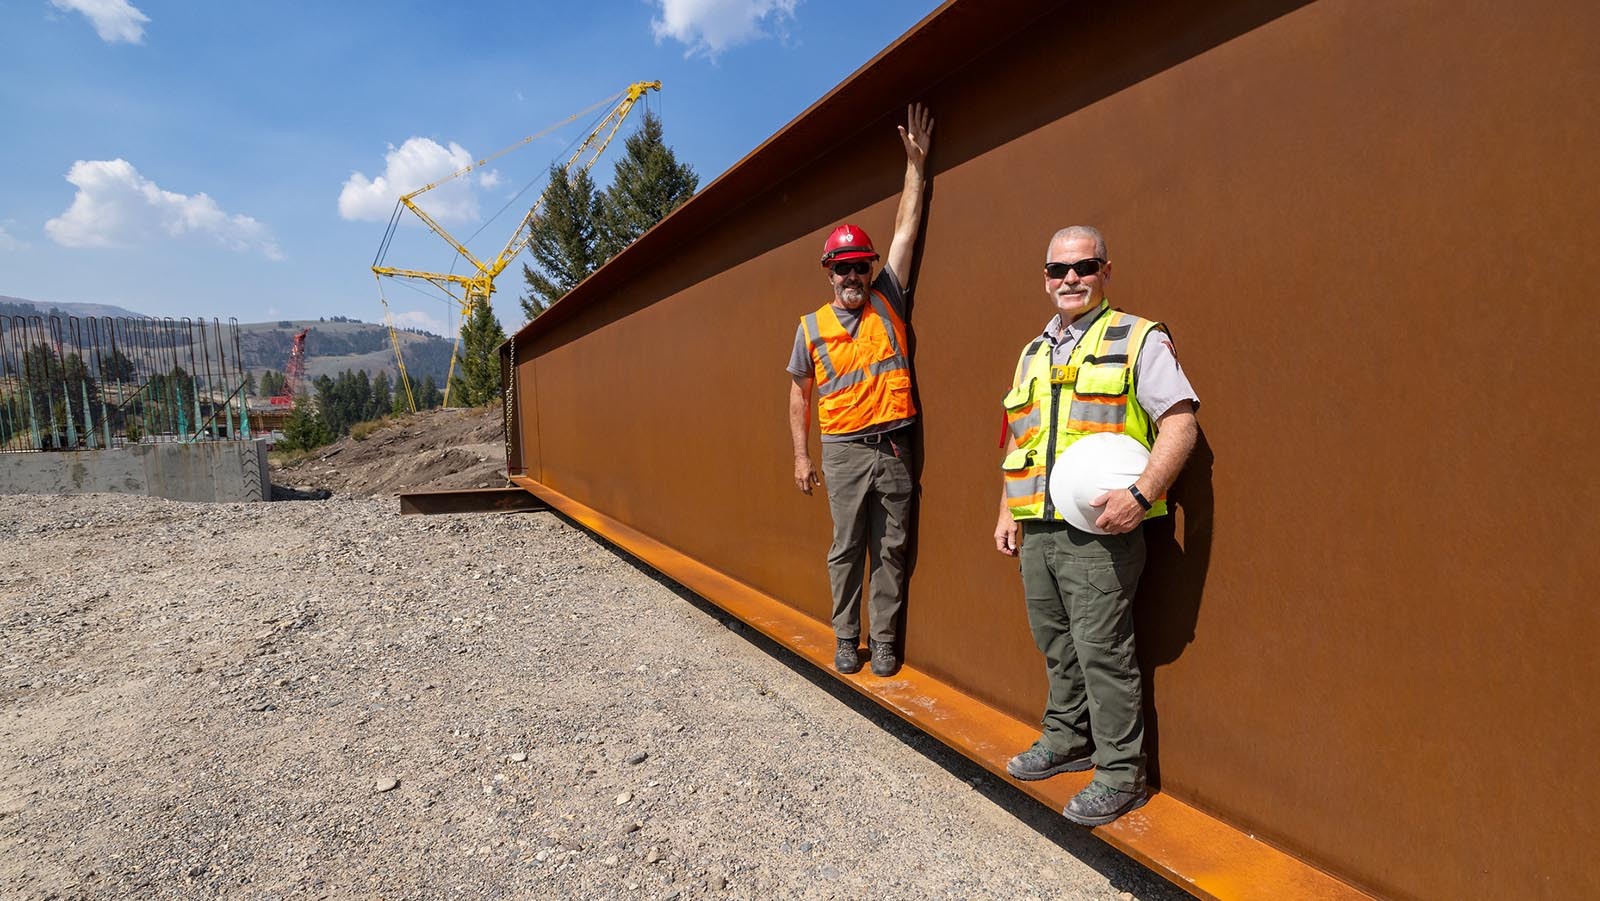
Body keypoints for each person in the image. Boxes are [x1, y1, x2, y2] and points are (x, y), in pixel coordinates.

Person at [993, 226, 1199, 826]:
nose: (1070, 279)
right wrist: (1008, 507)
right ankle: (1066, 739)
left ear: (1106, 271)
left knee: (1103, 652)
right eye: (1058, 270)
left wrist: (1143, 494)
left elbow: (1180, 424)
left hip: (1103, 533)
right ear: (1046, 278)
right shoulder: (1034, 350)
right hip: (1040, 528)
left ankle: (1120, 773)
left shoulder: (1138, 339)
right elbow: (1022, 435)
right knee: (1055, 644)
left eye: (1084, 267)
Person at [787, 104, 935, 678]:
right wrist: (801, 455)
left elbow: (905, 229)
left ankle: (886, 642)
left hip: (895, 446)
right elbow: (800, 393)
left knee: (891, 550)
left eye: (859, 267)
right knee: (847, 548)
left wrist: (915, 167)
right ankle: (847, 638)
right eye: (842, 269)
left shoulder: (888, 301)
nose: (852, 277)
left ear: (870, 271)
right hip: (845, 450)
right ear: (828, 273)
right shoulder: (810, 328)